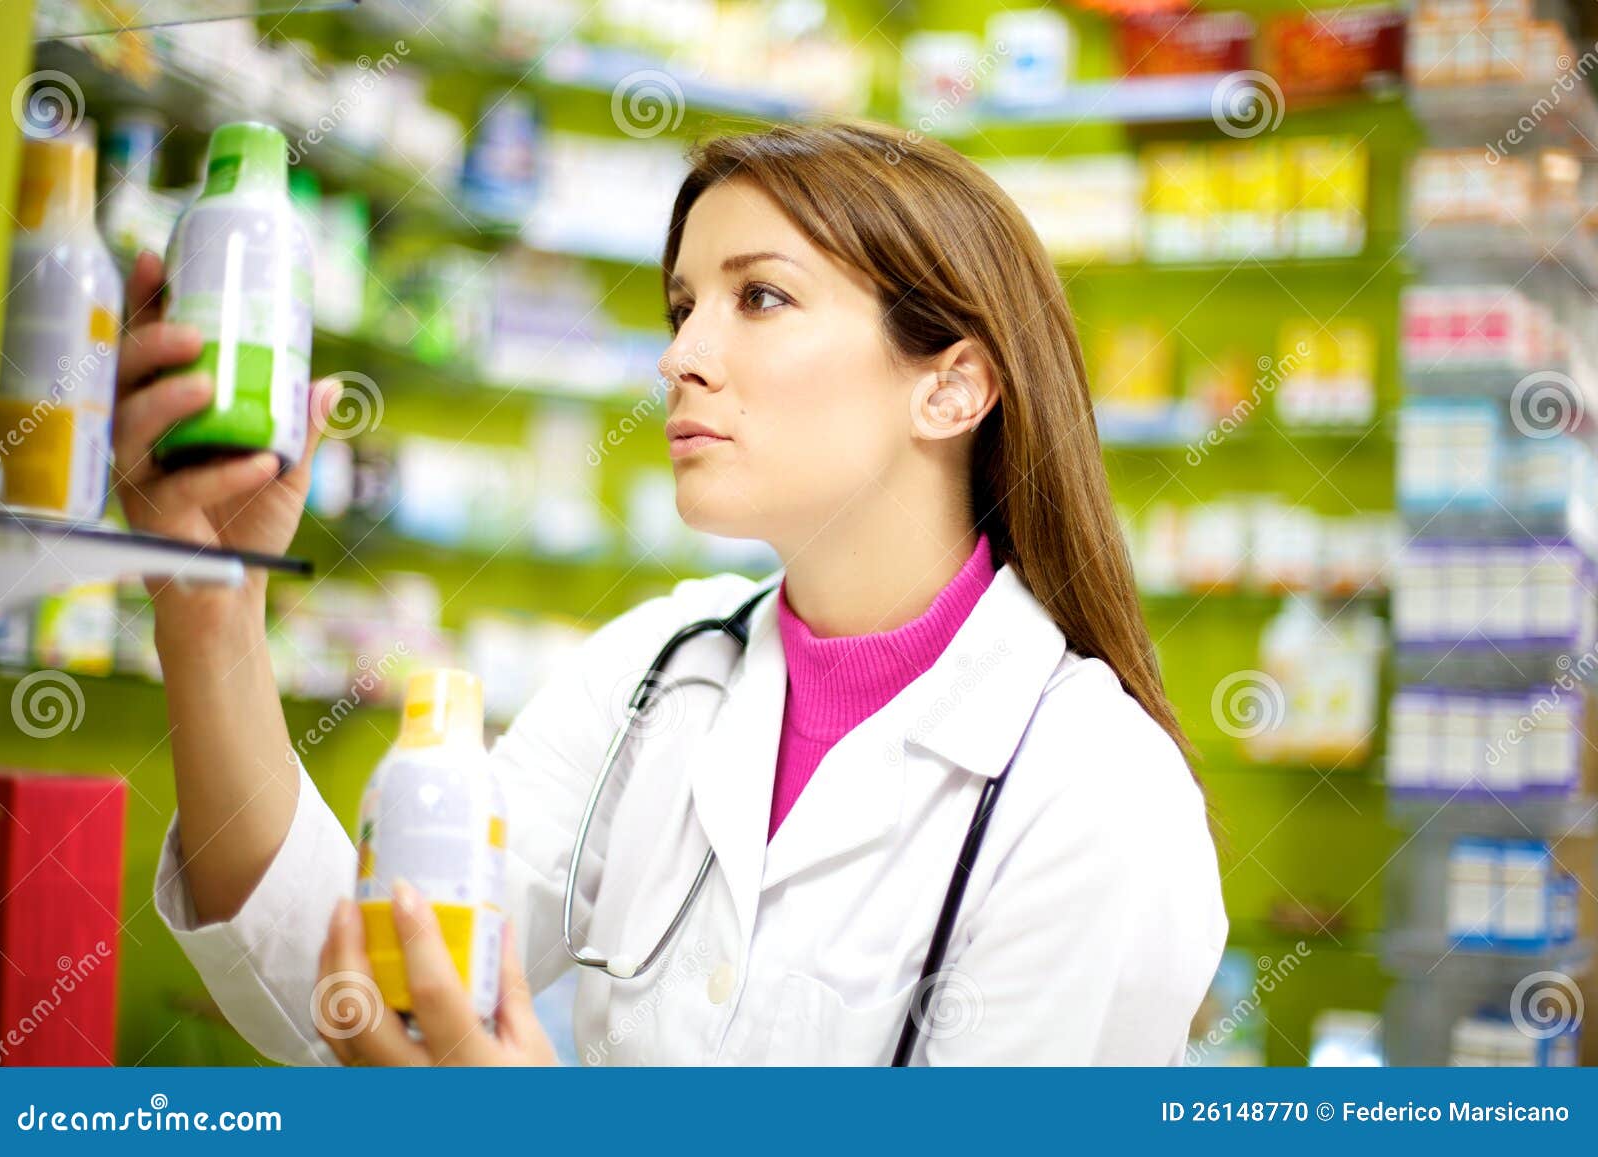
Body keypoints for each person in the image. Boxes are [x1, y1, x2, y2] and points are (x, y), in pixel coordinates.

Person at [120, 120, 1228, 1066]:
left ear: (951, 387)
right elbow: (358, 983)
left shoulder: (1094, 792)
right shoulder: (654, 671)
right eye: (681, 306)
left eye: (758, 296)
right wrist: (210, 600)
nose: (681, 355)